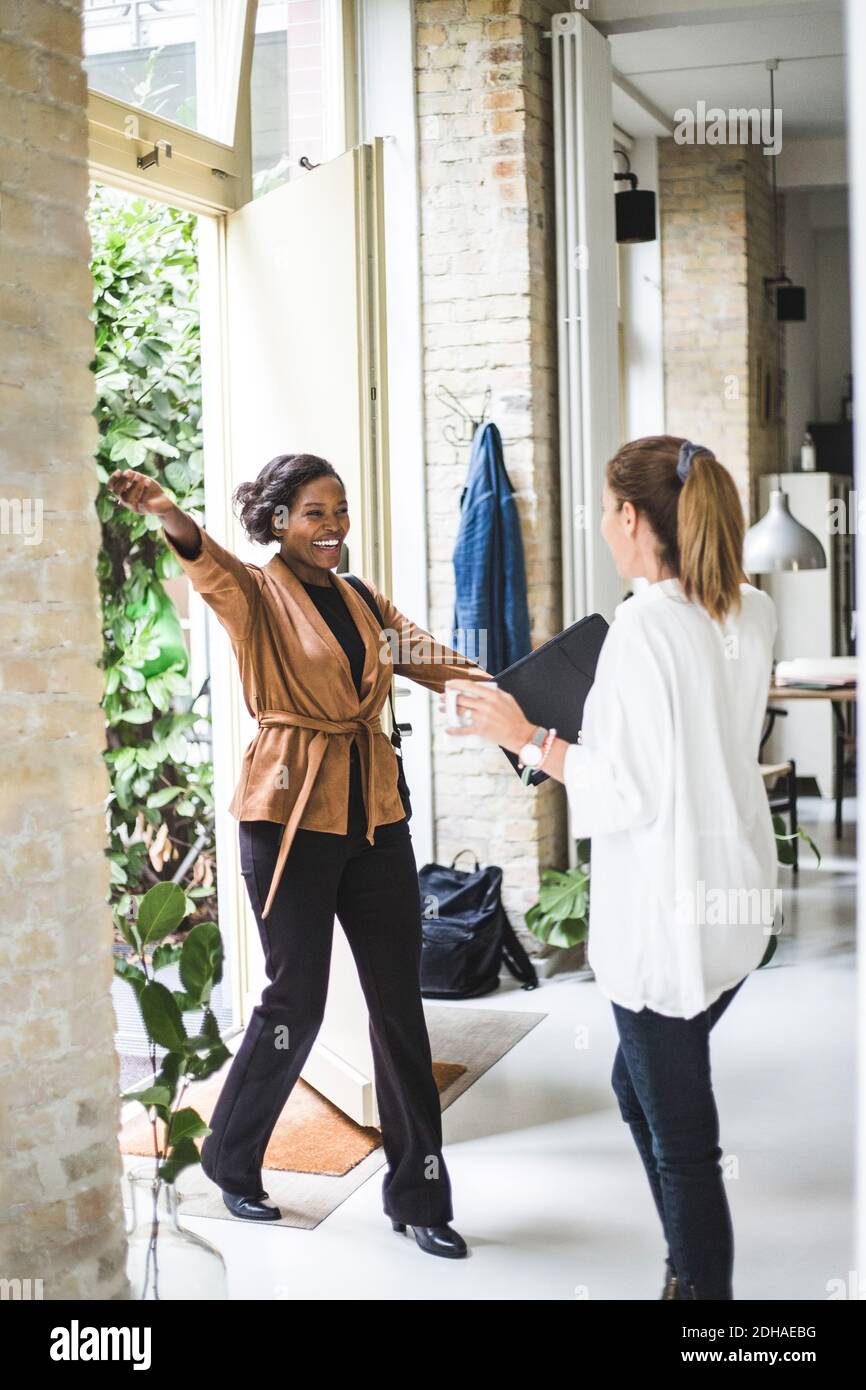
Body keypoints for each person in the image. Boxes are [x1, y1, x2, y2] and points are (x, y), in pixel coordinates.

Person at [107, 453, 494, 1260]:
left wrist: (511, 700)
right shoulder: (256, 593)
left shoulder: (358, 599)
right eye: (316, 513)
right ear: (279, 521)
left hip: (375, 816)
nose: (334, 527)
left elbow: (429, 657)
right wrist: (170, 514)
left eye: (340, 511)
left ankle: (419, 1195)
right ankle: (231, 1156)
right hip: (286, 816)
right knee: (297, 1003)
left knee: (400, 1008)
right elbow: (205, 565)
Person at [442, 435, 778, 1299]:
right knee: (636, 1087)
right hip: (732, 900)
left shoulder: (640, 631)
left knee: (686, 1148)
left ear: (632, 518)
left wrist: (525, 736)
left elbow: (628, 794)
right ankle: (686, 1269)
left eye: (603, 508)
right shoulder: (750, 609)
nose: (600, 524)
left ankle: (702, 1299)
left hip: (665, 922)